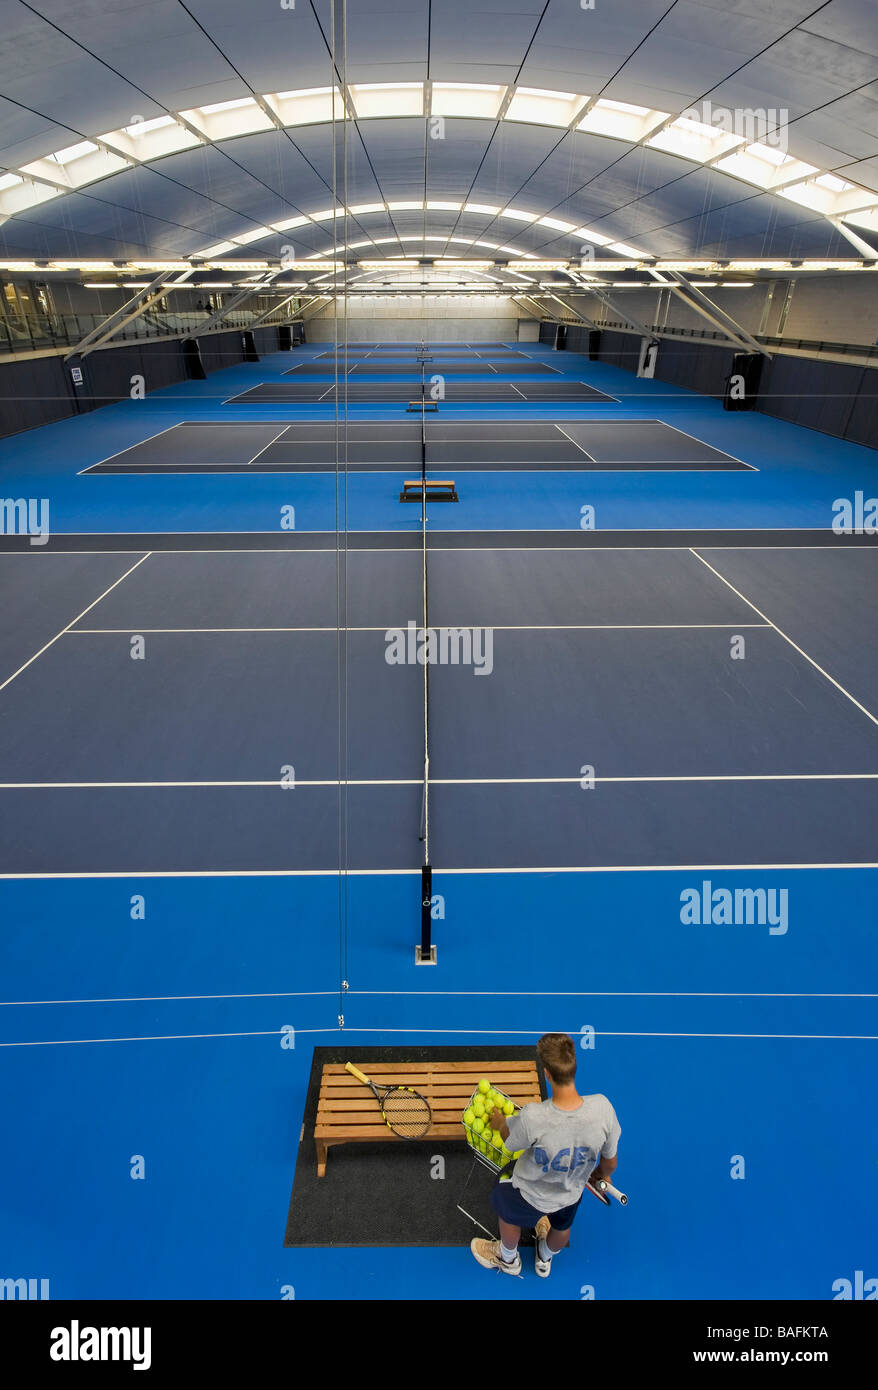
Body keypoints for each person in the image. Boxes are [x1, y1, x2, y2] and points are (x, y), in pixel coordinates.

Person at [470, 1032, 621, 1278]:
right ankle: (544, 1258)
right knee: (562, 1227)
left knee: (506, 1209)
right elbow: (610, 1162)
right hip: (570, 1193)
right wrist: (602, 1174)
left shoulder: (534, 1117)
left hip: (530, 1193)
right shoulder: (604, 1108)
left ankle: (508, 1258)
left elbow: (509, 1141)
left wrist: (500, 1123)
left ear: (547, 1074)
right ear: (574, 1068)